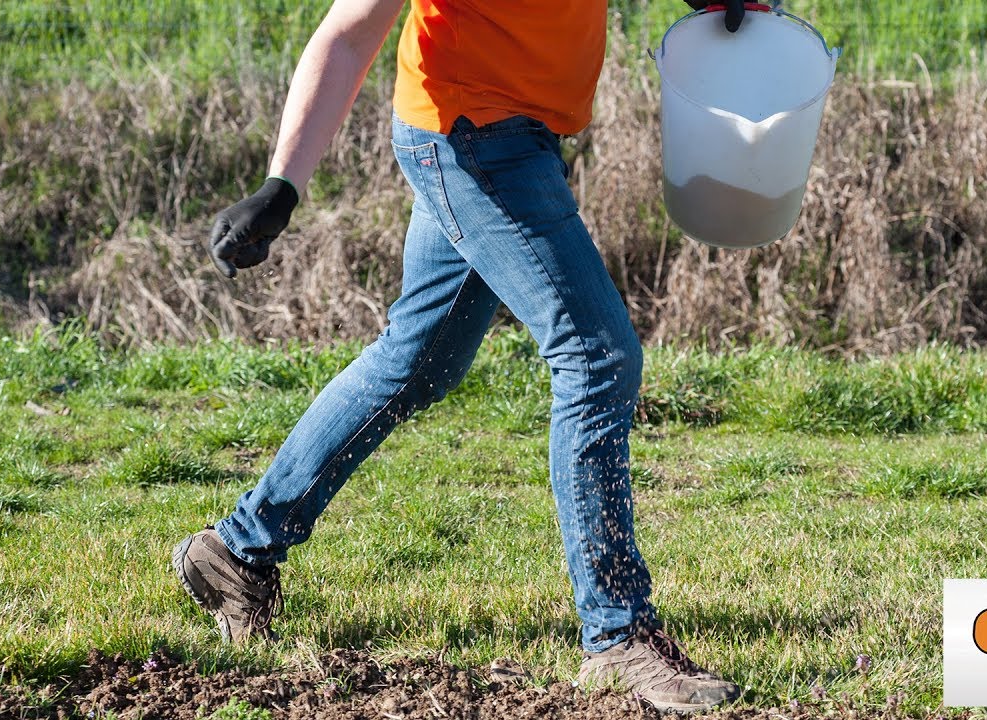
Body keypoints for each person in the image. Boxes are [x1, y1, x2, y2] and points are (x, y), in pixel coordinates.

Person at [172, 0, 748, 713]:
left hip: (521, 133)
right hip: (468, 138)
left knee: (422, 361)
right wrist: (281, 186)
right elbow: (349, 37)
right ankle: (617, 635)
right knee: (597, 359)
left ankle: (236, 552)